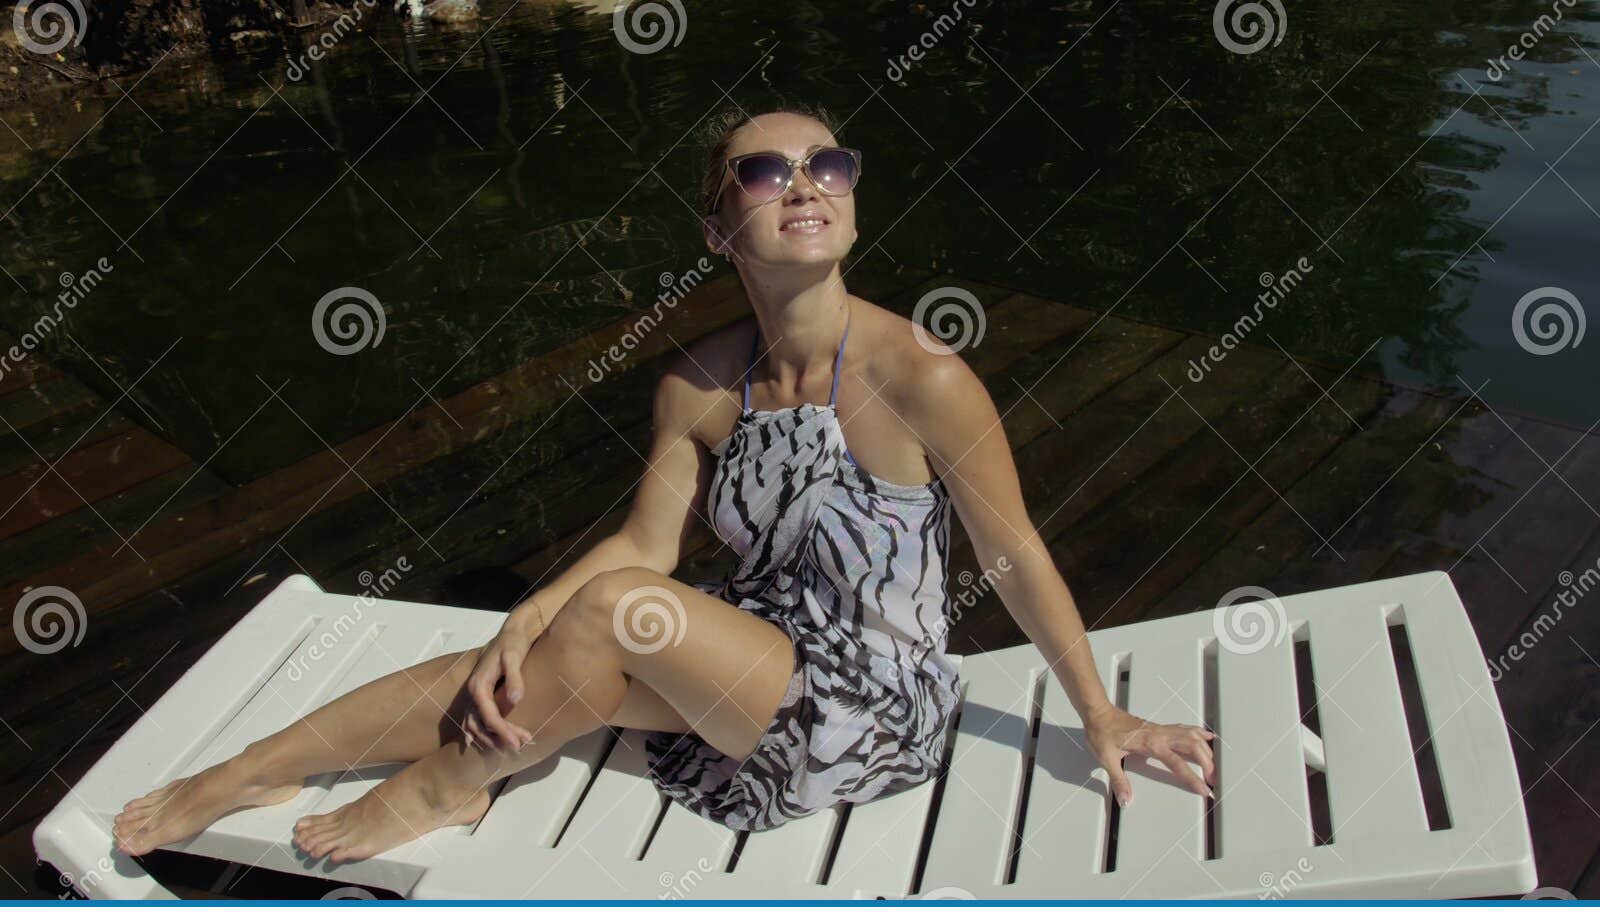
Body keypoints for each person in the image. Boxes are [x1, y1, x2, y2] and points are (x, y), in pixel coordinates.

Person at [113, 103, 1215, 864]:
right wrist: (524, 620)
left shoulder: (918, 372)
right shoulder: (698, 380)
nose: (804, 186)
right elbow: (646, 543)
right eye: (765, 171)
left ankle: (443, 792)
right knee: (505, 659)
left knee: (603, 615)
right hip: (748, 657)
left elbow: (1012, 550)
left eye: (827, 166)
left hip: (868, 704)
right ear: (717, 224)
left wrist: (1101, 712)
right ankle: (249, 772)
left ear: (852, 204)